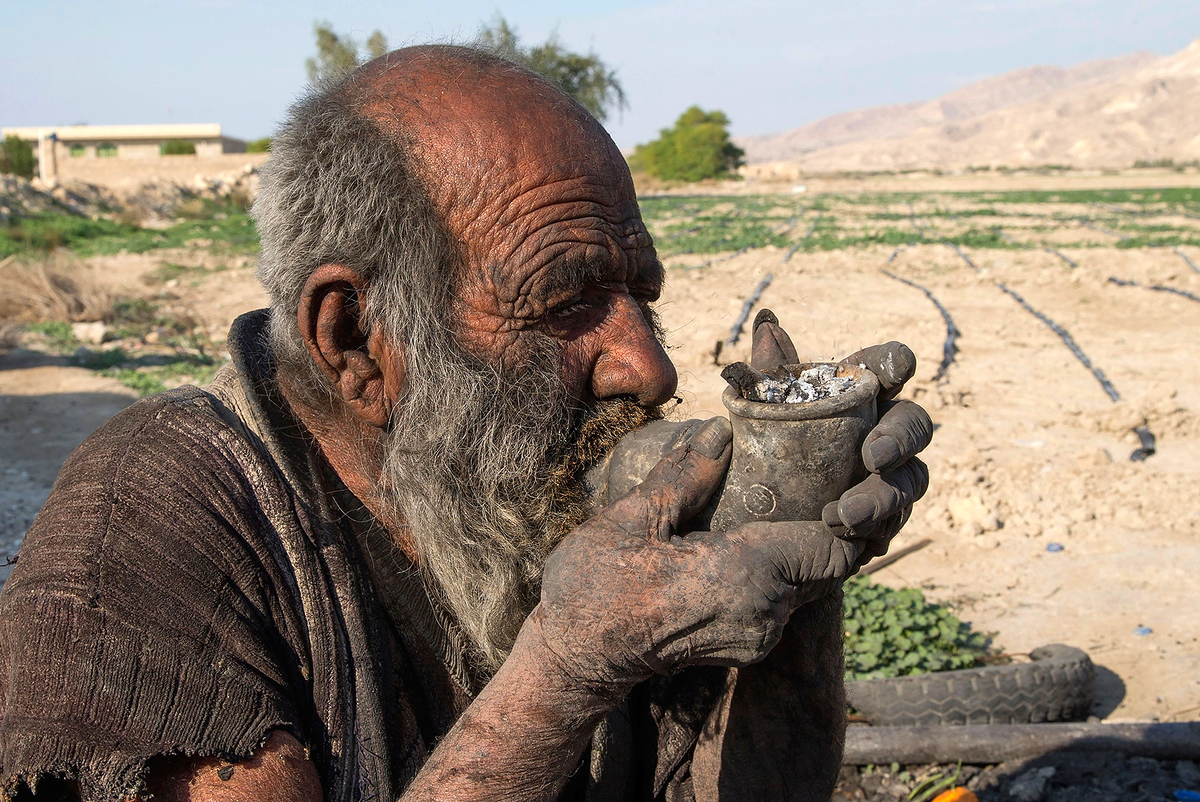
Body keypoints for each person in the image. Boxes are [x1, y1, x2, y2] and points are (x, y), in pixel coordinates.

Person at [0, 46, 931, 802]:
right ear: (356, 339)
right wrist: (566, 674)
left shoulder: (520, 493)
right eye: (565, 302)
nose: (650, 369)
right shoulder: (148, 534)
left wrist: (801, 543)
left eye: (640, 297)